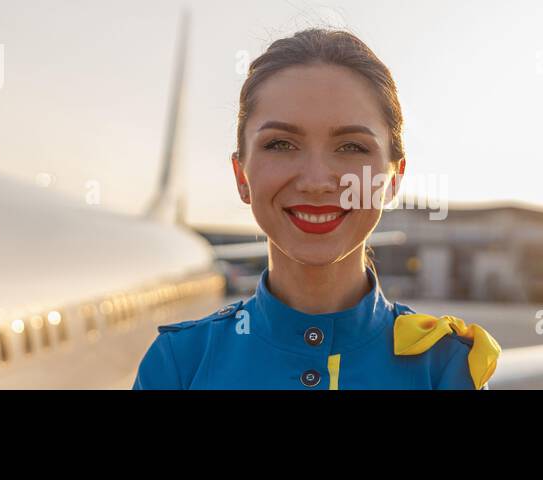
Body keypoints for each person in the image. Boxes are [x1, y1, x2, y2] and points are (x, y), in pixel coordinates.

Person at [133, 28, 499, 389]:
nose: (316, 180)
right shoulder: (178, 364)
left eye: (352, 147)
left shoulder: (444, 368)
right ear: (241, 176)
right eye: (280, 144)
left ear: (393, 180)